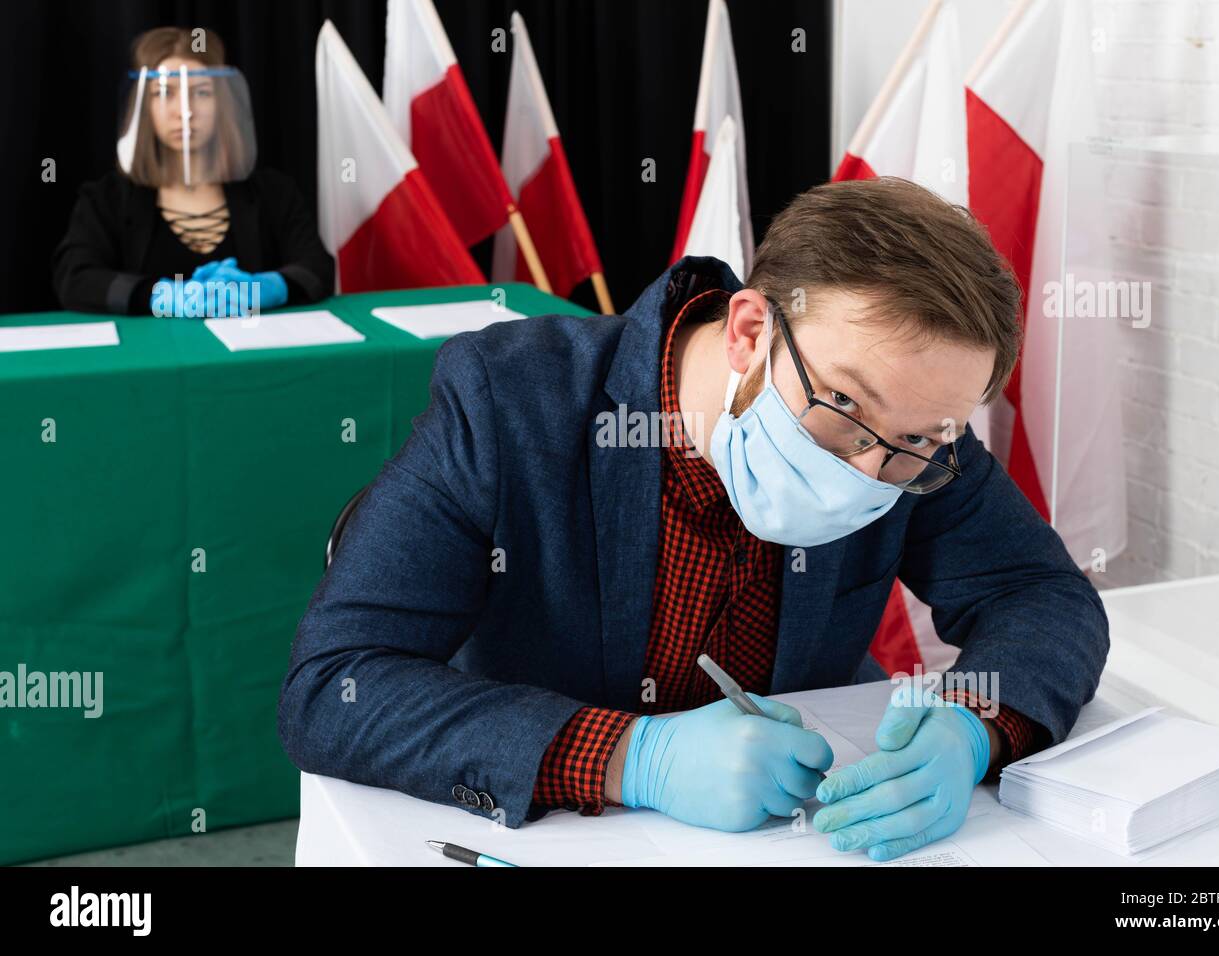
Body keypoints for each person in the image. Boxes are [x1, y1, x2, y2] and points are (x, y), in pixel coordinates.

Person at [278, 177, 1110, 862]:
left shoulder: (911, 433)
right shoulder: (509, 402)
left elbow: (1041, 594)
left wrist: (974, 723)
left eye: (914, 442)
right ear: (750, 329)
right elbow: (334, 685)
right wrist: (632, 758)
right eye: (843, 406)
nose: (866, 472)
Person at [51, 27, 333, 317]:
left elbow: (317, 268)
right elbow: (75, 278)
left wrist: (268, 288)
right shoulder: (107, 199)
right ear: (144, 107)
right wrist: (160, 295)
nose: (184, 111)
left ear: (222, 102)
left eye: (201, 92)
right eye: (164, 93)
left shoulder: (274, 192)